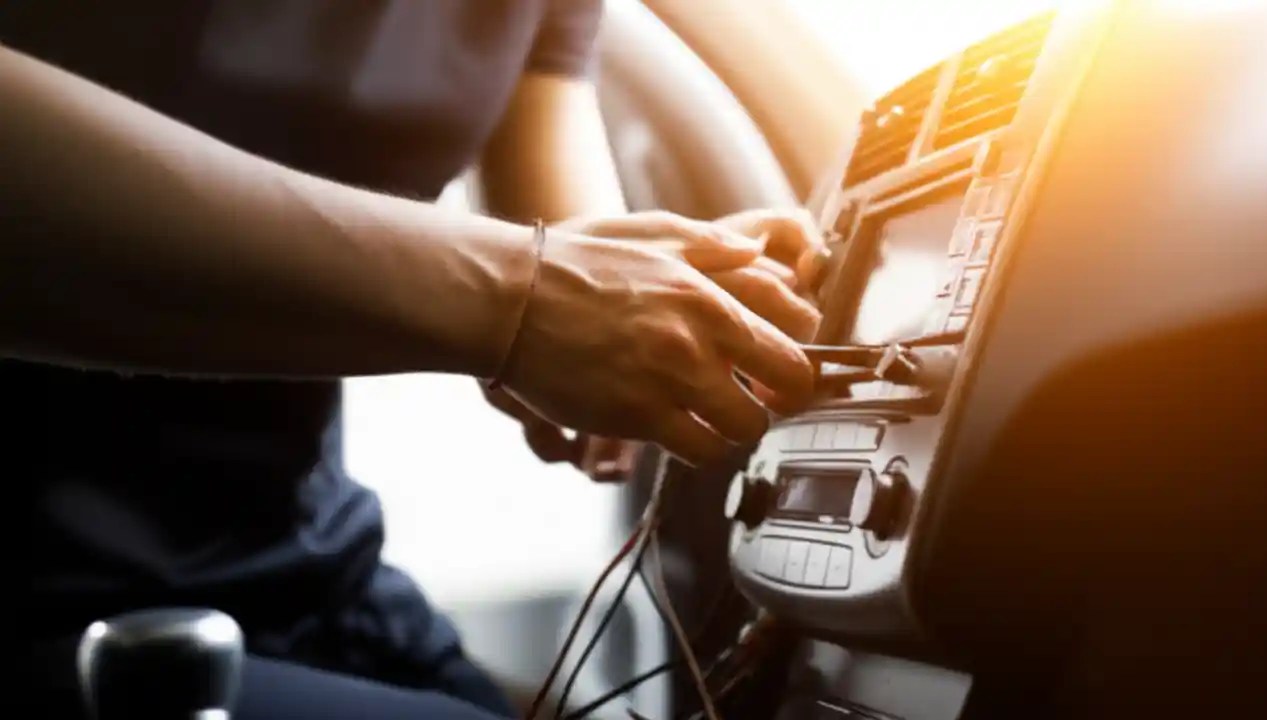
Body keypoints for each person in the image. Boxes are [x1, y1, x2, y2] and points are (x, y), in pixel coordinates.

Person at [2, 2, 824, 718]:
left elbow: (578, 257)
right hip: (52, 599)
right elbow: (535, 284)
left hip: (309, 572)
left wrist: (701, 287)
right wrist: (516, 297)